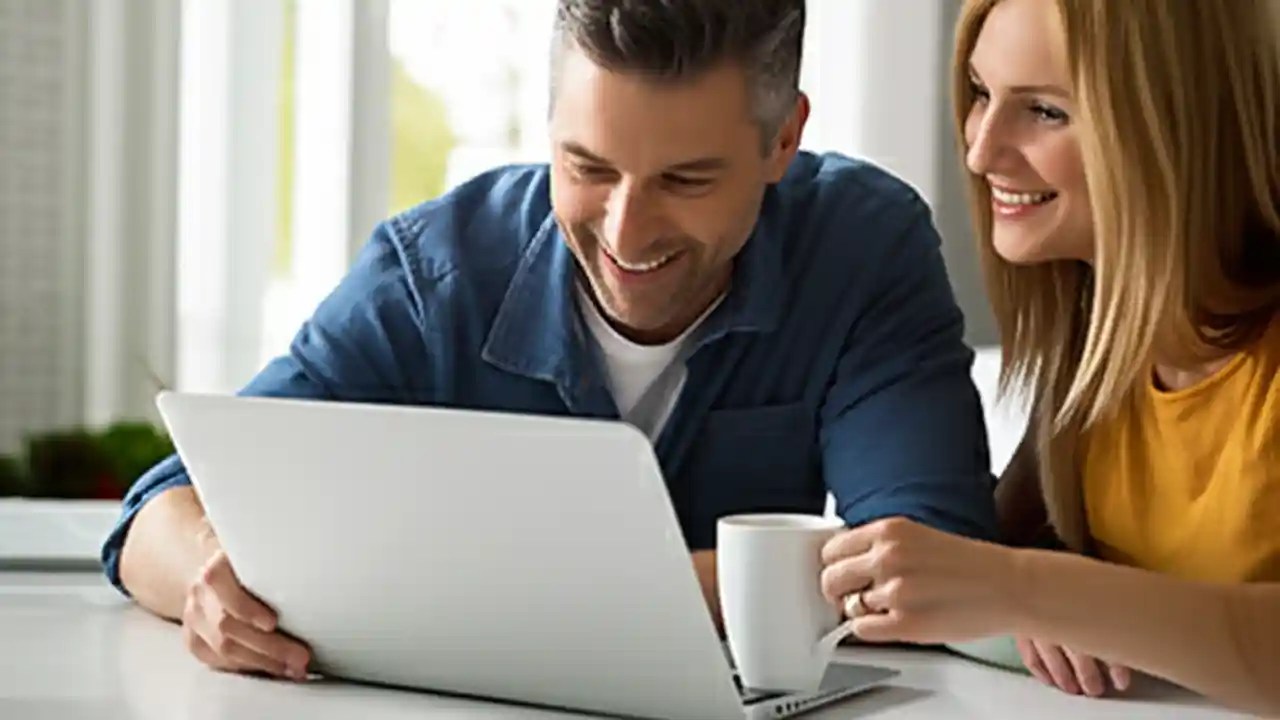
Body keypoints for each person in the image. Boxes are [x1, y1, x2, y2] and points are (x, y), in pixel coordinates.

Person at [103, 0, 999, 683]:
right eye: (587, 166)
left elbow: (928, 560)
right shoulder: (437, 270)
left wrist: (483, 596)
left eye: (685, 179)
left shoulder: (863, 245)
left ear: (784, 141)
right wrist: (208, 583)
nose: (625, 229)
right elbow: (158, 511)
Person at [818, 0, 1280, 714]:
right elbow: (981, 561)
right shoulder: (1099, 346)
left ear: (1177, 127)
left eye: (1044, 111)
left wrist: (1031, 589)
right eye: (980, 94)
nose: (979, 151)